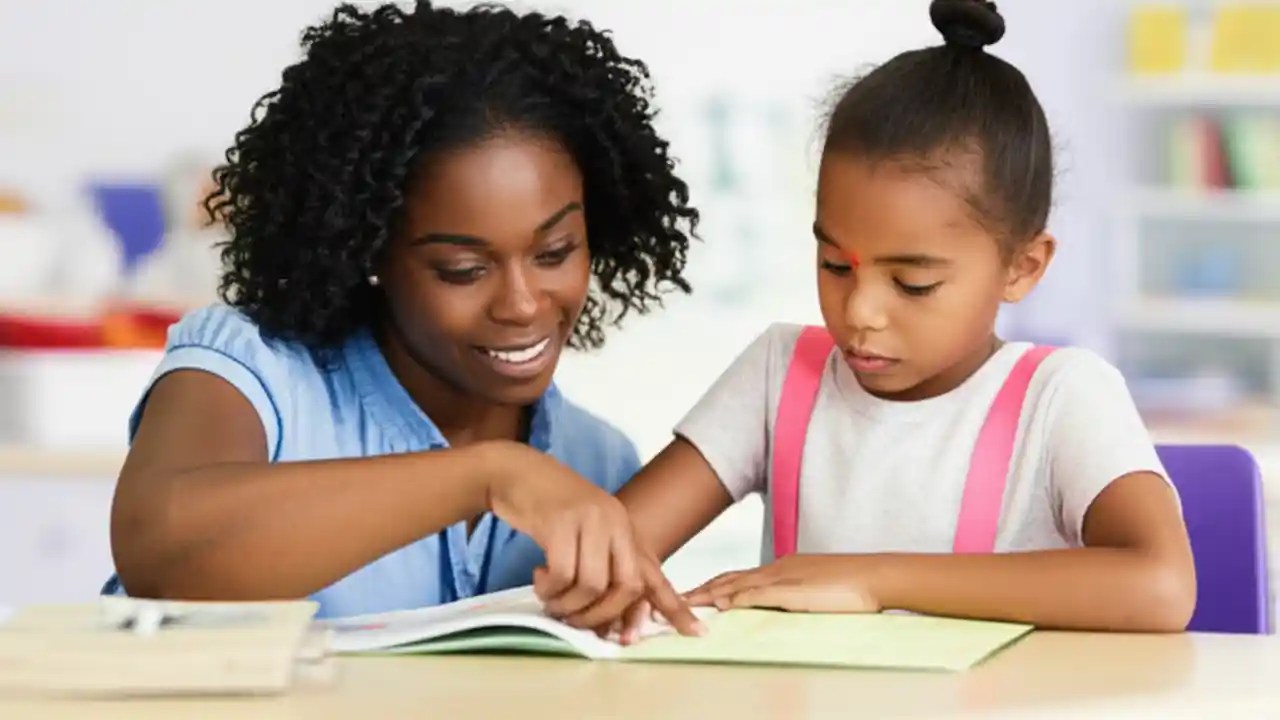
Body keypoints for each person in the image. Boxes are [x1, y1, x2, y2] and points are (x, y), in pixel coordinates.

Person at [541, 0, 1196, 642]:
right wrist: (603, 576)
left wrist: (872, 581)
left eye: (913, 283)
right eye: (835, 264)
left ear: (1022, 267)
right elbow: (618, 545)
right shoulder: (780, 373)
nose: (860, 312)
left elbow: (1161, 585)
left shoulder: (1060, 396)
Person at [105, 0, 703, 634]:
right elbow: (160, 555)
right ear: (369, 252)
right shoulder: (253, 372)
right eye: (462, 269)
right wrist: (491, 475)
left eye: (554, 253)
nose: (523, 303)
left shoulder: (600, 464)